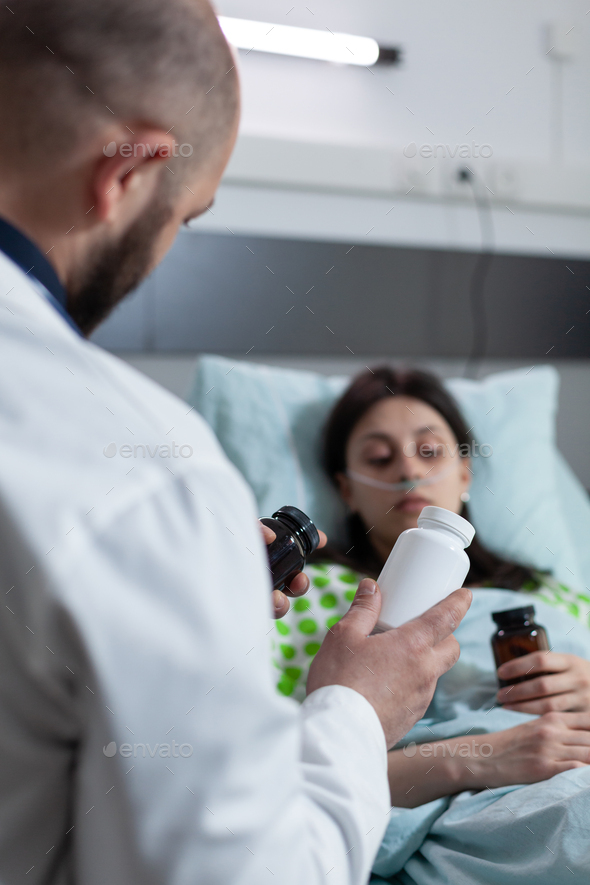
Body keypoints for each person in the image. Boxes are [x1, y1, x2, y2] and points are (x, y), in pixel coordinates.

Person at [0, 3, 472, 885]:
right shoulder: (144, 472)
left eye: (434, 448)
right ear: (128, 173)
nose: (409, 467)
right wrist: (357, 713)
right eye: (188, 216)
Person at [272, 366, 590, 809]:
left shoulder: (552, 593)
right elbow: (281, 775)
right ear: (346, 490)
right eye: (380, 458)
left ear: (464, 474)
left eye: (429, 451)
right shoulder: (297, 596)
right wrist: (476, 757)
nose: (407, 468)